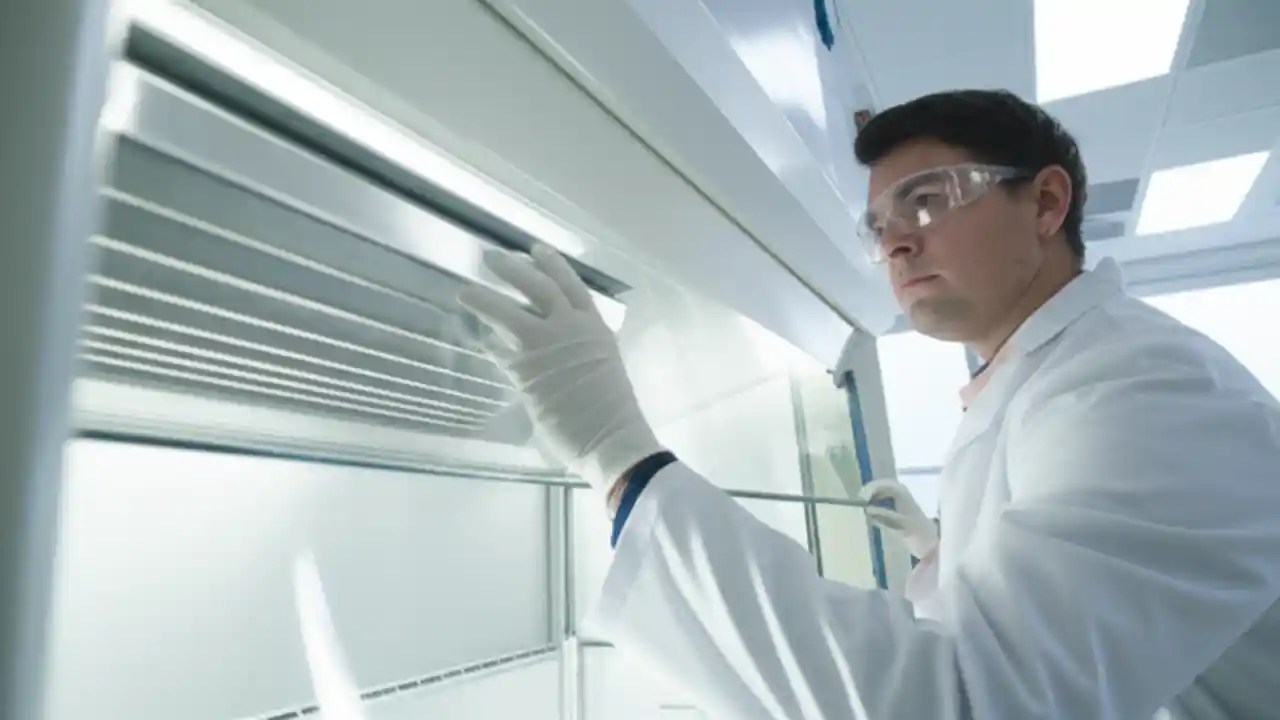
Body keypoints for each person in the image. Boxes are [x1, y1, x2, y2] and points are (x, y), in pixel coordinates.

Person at [458, 89, 1280, 719]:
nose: (893, 241)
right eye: (878, 222)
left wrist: (617, 457)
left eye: (927, 199)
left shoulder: (1142, 387)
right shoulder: (1044, 378)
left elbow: (966, 700)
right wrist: (943, 553)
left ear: (1046, 203)